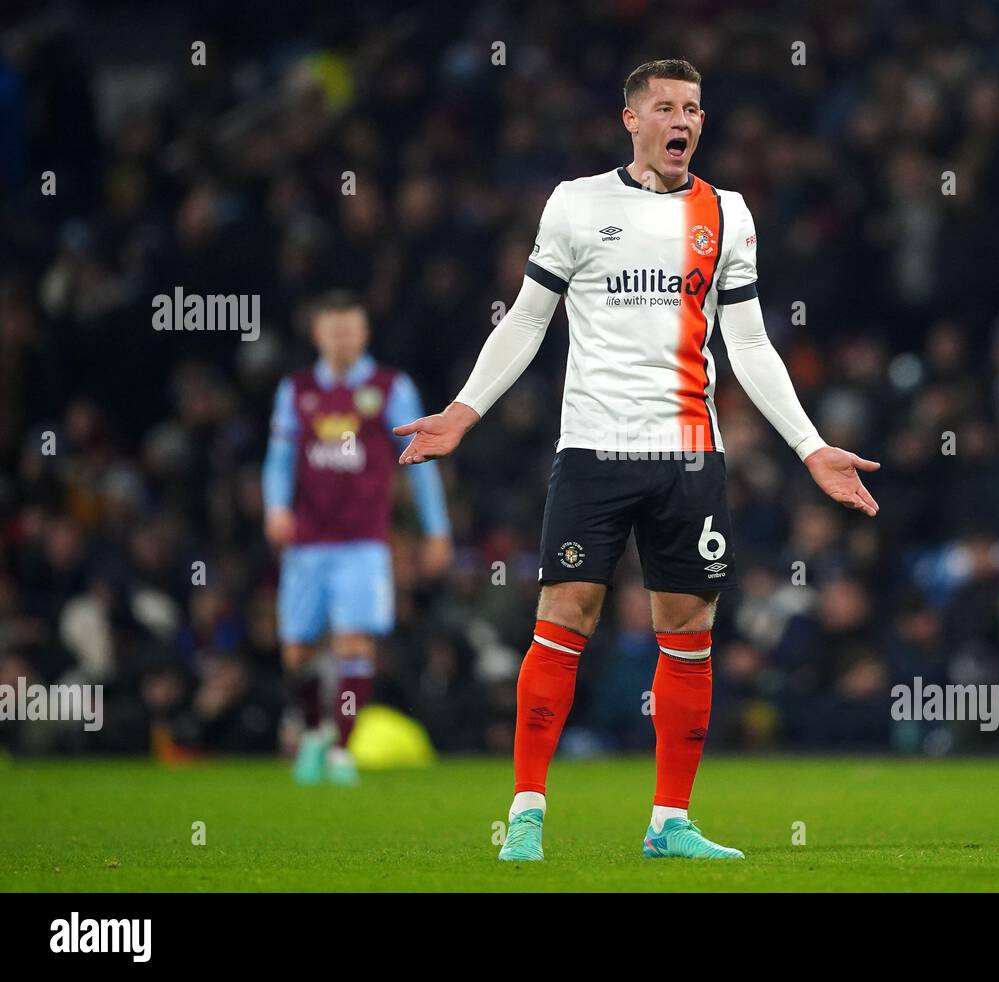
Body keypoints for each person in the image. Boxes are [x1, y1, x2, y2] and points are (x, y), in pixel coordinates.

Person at [394, 59, 880, 859]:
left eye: (692, 108)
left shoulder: (727, 212)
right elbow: (527, 319)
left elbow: (749, 342)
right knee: (565, 617)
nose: (681, 119)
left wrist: (811, 446)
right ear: (632, 119)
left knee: (688, 629)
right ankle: (526, 811)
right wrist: (464, 410)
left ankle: (670, 822)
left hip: (691, 455)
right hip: (594, 449)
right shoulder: (577, 203)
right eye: (665, 107)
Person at [264, 290, 453, 785]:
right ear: (318, 334)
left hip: (364, 542)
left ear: (364, 333)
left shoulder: (390, 388)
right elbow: (280, 459)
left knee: (354, 643)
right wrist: (276, 507)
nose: (343, 339)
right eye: (335, 330)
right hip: (307, 541)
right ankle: (314, 732)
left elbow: (420, 462)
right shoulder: (297, 390)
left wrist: (436, 529)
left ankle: (342, 750)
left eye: (351, 330)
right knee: (297, 651)